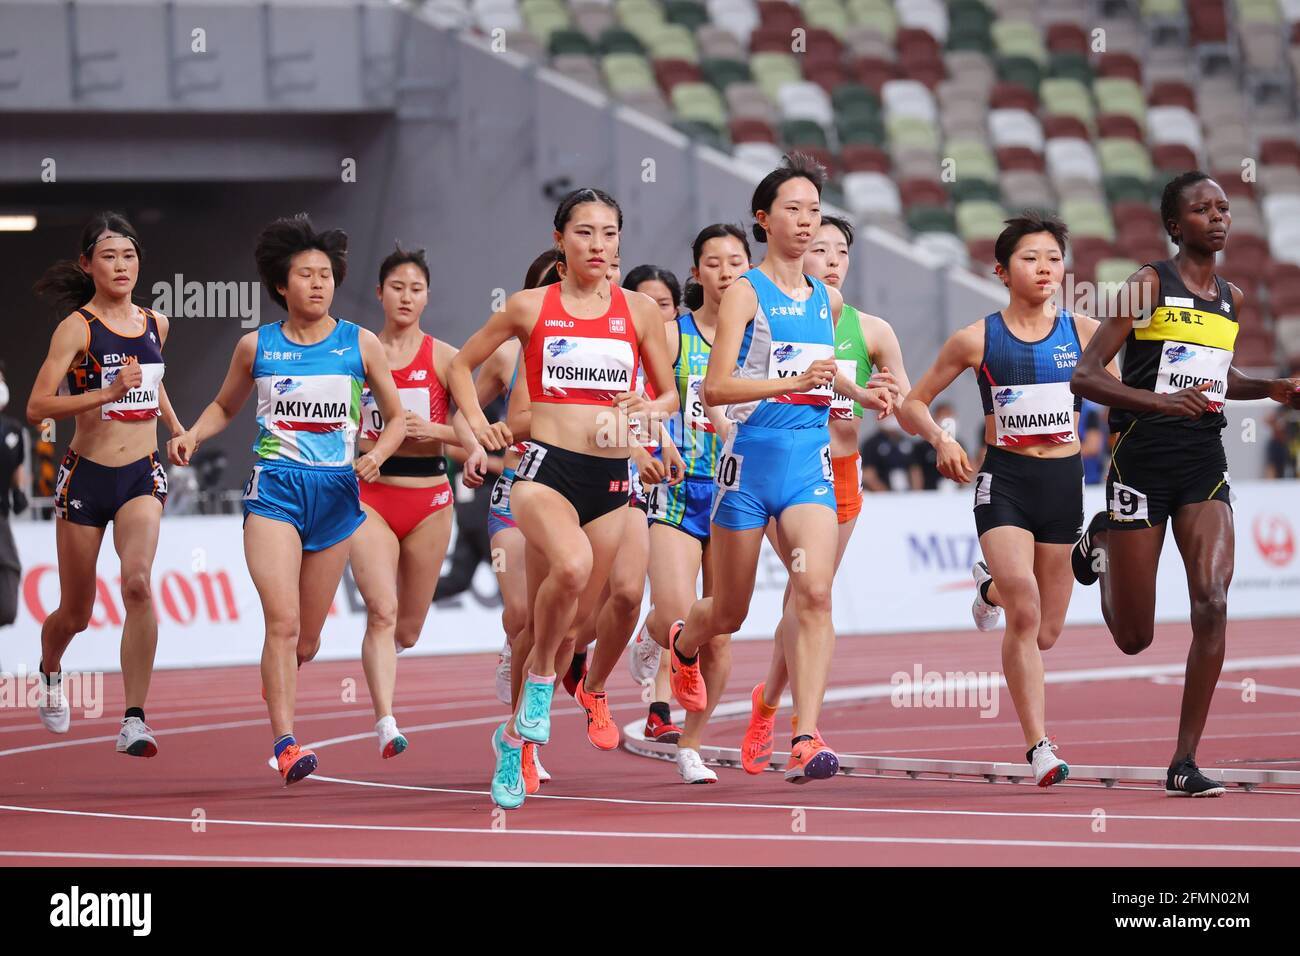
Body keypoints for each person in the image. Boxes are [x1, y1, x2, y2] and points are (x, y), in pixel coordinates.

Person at [447, 188, 680, 809]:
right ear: (560, 240)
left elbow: (669, 397)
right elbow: (458, 368)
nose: (598, 245)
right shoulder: (529, 308)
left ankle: (513, 740)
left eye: (609, 233)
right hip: (546, 473)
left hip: (609, 482)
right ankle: (544, 687)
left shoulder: (638, 312)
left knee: (573, 622)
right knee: (571, 569)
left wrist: (647, 408)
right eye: (584, 233)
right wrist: (479, 425)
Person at [1070, 172, 1300, 797]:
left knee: (1213, 601)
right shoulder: (1148, 284)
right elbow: (1086, 378)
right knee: (1133, 637)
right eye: (1202, 209)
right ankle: (1100, 543)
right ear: (1176, 226)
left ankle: (1184, 760)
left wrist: (1271, 387)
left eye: (1224, 208)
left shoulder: (1233, 297)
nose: (1218, 217)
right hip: (1140, 459)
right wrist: (1161, 404)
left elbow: (1217, 378)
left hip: (1204, 461)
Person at [170, 214, 407, 786]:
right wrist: (193, 434)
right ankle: (285, 741)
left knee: (306, 636)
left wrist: (376, 456)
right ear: (282, 284)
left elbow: (397, 417)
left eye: (326, 274)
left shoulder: (361, 343)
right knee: (280, 621)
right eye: (306, 274)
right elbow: (225, 406)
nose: (319, 284)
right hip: (275, 492)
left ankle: (282, 676)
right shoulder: (258, 346)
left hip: (337, 498)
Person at [899, 212, 1114, 786]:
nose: (1045, 268)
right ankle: (1040, 747)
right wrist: (942, 438)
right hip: (1005, 482)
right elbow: (912, 402)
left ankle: (985, 584)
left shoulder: (1087, 333)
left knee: (1044, 631)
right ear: (1001, 270)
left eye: (1053, 258)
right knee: (1024, 604)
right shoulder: (976, 338)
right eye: (1030, 258)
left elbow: (1126, 396)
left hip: (1064, 483)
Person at [667, 153, 850, 785]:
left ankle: (805, 735)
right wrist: (791, 381)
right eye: (793, 211)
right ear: (763, 220)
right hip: (747, 466)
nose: (806, 223)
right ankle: (683, 645)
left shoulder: (828, 296)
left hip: (808, 463)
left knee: (816, 592)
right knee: (730, 612)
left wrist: (863, 390)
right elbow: (715, 389)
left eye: (814, 212)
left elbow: (822, 374)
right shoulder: (746, 292)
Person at [742, 214, 904, 776]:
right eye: (821, 249)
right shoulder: (774, 317)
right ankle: (798, 729)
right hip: (785, 466)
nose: (832, 260)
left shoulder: (873, 330)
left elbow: (903, 401)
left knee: (807, 597)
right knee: (810, 594)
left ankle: (771, 707)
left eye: (841, 251)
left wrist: (906, 412)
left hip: (843, 474)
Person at [28, 212, 186, 755]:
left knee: (138, 583)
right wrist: (105, 392)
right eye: (109, 257)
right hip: (86, 478)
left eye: (129, 256)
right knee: (76, 611)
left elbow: (153, 381)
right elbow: (37, 406)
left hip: (142, 473)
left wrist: (176, 427)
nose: (121, 266)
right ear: (87, 265)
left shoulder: (155, 322)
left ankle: (134, 719)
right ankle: (49, 671)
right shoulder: (77, 328)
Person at [350, 244, 485, 759]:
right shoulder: (359, 353)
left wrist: (467, 449)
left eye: (416, 288)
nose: (406, 297)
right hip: (370, 496)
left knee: (407, 626)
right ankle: (385, 719)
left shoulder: (446, 357)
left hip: (430, 499)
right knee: (381, 612)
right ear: (379, 293)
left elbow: (469, 421)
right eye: (397, 287)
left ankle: (387, 658)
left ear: (427, 297)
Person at [0, 361, 29, 639]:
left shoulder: (12, 430)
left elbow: (17, 465)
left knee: (7, 601)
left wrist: (19, 491)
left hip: (1, 517)